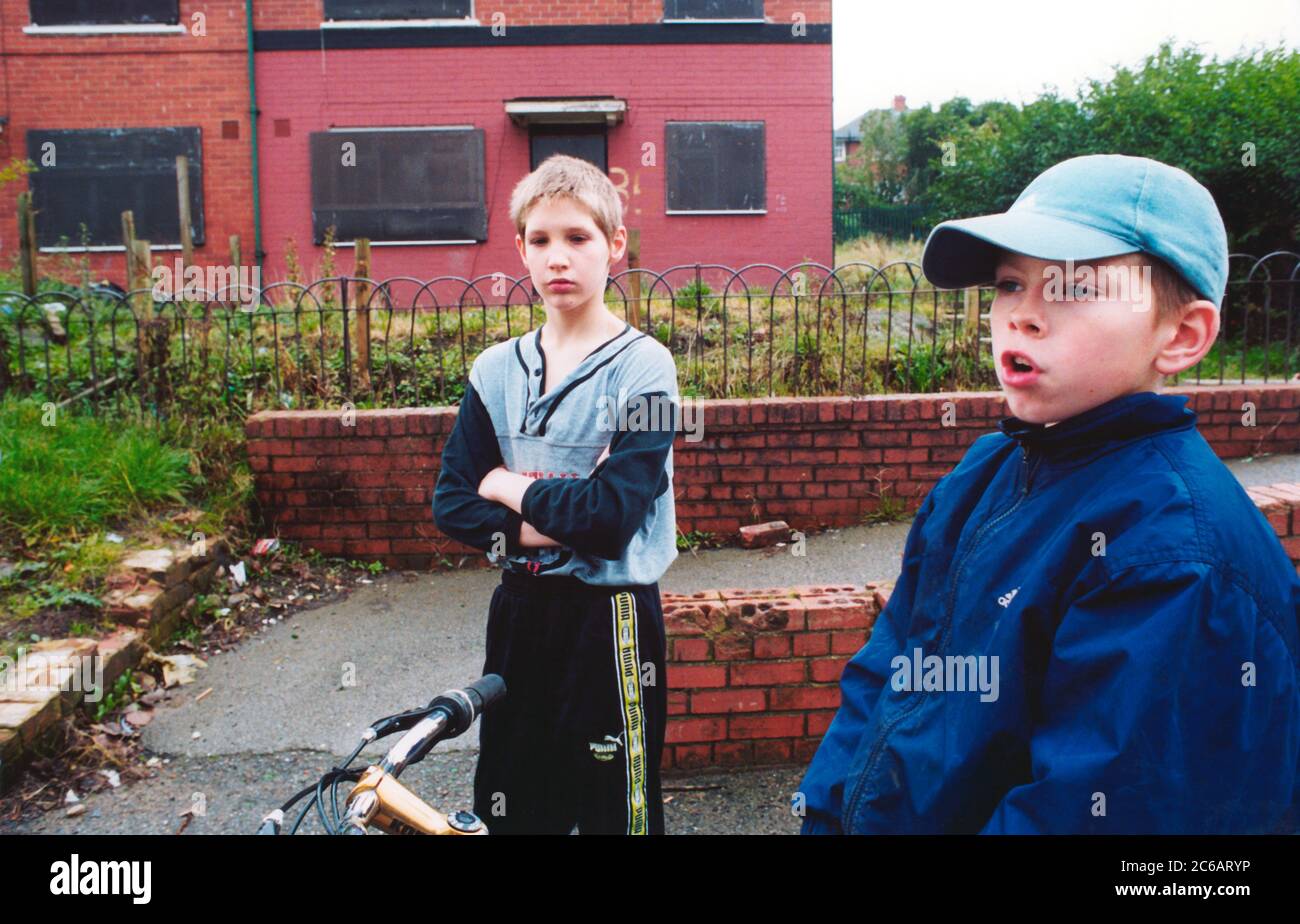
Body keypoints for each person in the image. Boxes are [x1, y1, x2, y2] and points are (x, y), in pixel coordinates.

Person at [797, 154, 1300, 833]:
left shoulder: (1172, 551)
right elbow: (888, 672)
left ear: (1181, 336)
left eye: (1073, 287)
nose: (1023, 316)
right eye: (1010, 283)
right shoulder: (989, 469)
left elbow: (1098, 809)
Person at [432, 154, 679, 834]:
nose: (558, 258)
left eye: (578, 238)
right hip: (519, 610)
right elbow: (452, 502)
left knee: (615, 811)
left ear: (614, 246)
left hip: (611, 616)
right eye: (540, 240)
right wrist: (552, 516)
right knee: (510, 799)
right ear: (521, 249)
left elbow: (612, 521)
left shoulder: (646, 370)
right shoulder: (494, 372)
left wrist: (507, 484)